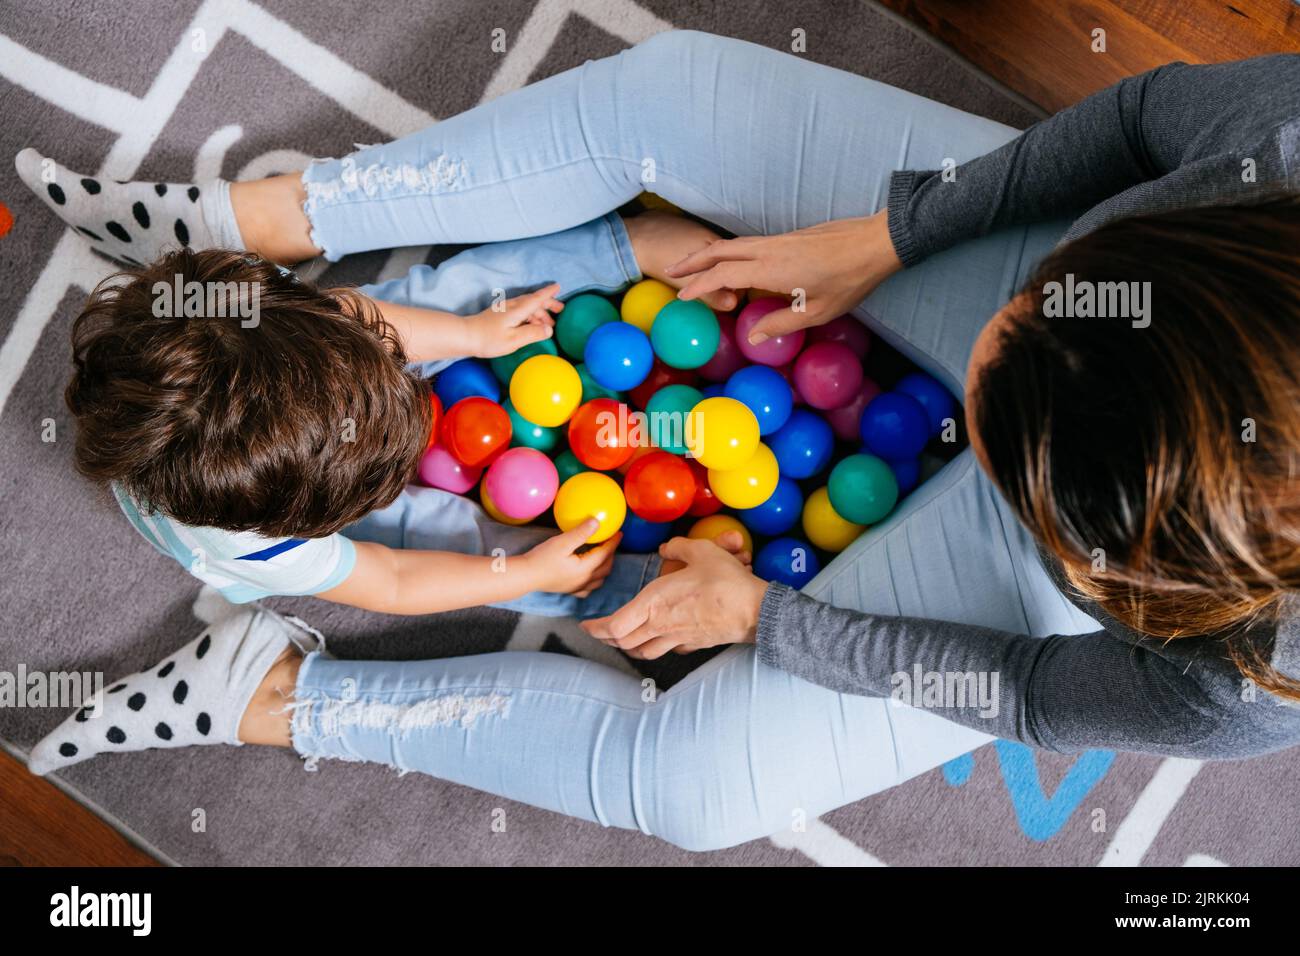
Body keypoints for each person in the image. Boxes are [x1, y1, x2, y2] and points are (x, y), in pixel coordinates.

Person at [21, 31, 1300, 852]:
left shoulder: (1249, 681)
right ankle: (246, 236)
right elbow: (1141, 127)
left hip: (1083, 525)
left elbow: (1023, 687)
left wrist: (764, 618)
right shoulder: (1274, 145)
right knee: (674, 99)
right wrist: (900, 233)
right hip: (1108, 347)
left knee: (694, 790)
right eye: (1022, 326)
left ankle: (284, 697)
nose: (970, 382)